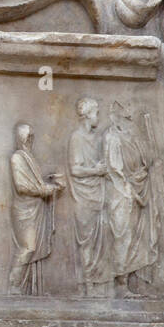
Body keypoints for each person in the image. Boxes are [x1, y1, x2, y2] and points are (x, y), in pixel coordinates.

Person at [103, 102, 159, 297]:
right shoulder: (112, 138)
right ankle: (120, 286)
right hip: (121, 194)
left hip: (136, 190)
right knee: (123, 237)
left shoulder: (131, 137)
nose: (129, 121)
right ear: (115, 118)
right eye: (126, 118)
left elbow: (146, 159)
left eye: (129, 117)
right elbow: (114, 170)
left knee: (135, 237)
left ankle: (131, 284)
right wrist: (129, 190)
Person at [8, 123, 64, 295]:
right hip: (24, 210)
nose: (31, 140)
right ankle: (13, 286)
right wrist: (45, 190)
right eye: (29, 137)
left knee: (34, 249)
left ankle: (30, 289)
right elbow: (22, 186)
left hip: (35, 209)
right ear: (22, 138)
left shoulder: (29, 157)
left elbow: (34, 183)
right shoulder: (17, 157)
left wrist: (50, 185)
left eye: (32, 136)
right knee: (28, 248)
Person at [67, 97, 111, 296]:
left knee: (101, 239)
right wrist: (96, 171)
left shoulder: (97, 138)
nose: (98, 116)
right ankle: (88, 285)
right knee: (86, 240)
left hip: (98, 195)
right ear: (86, 115)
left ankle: (100, 283)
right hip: (84, 196)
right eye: (96, 112)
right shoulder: (76, 138)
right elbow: (75, 170)